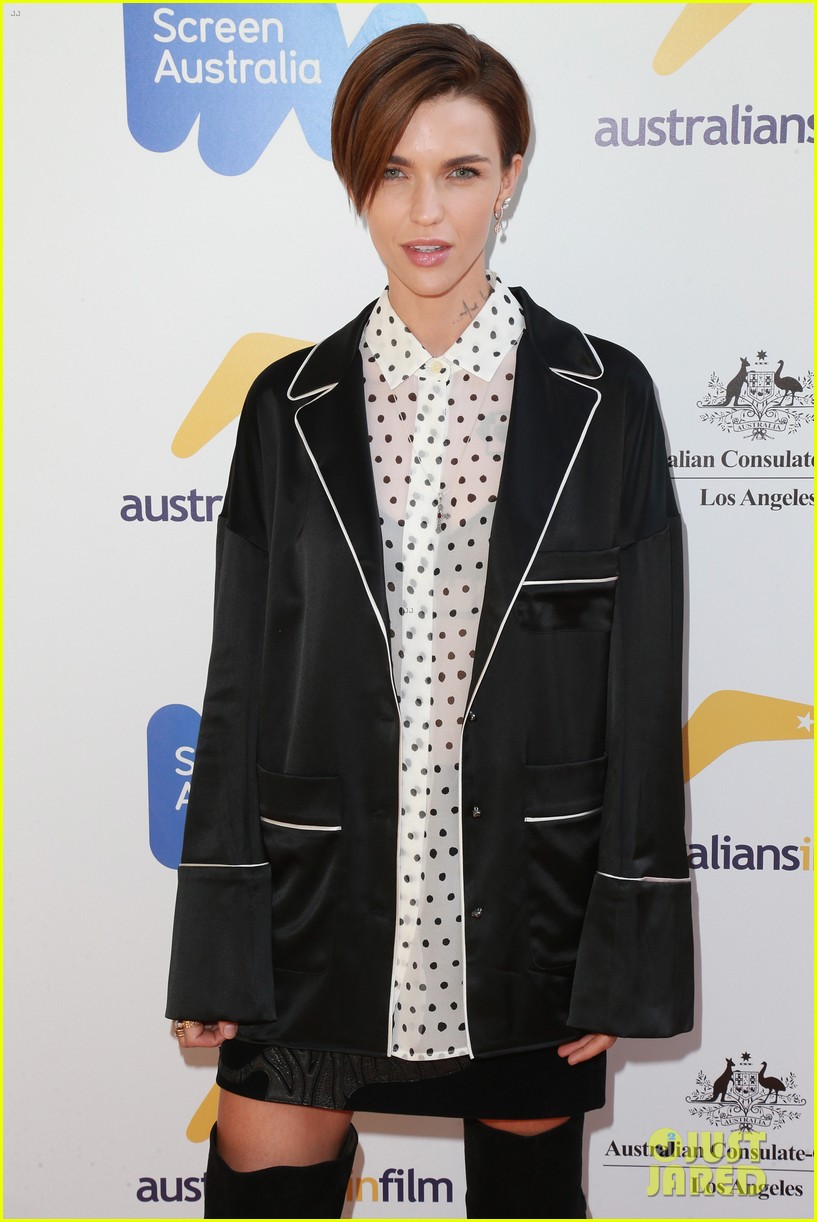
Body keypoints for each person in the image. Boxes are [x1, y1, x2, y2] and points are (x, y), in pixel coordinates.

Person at [166, 22, 693, 1220]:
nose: (424, 210)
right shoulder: (287, 405)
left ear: (511, 177)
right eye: (392, 170)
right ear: (356, 180)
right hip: (315, 910)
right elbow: (239, 681)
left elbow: (641, 684)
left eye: (460, 170)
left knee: (523, 1202)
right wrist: (215, 945)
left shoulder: (602, 396)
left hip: (528, 913)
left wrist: (622, 949)